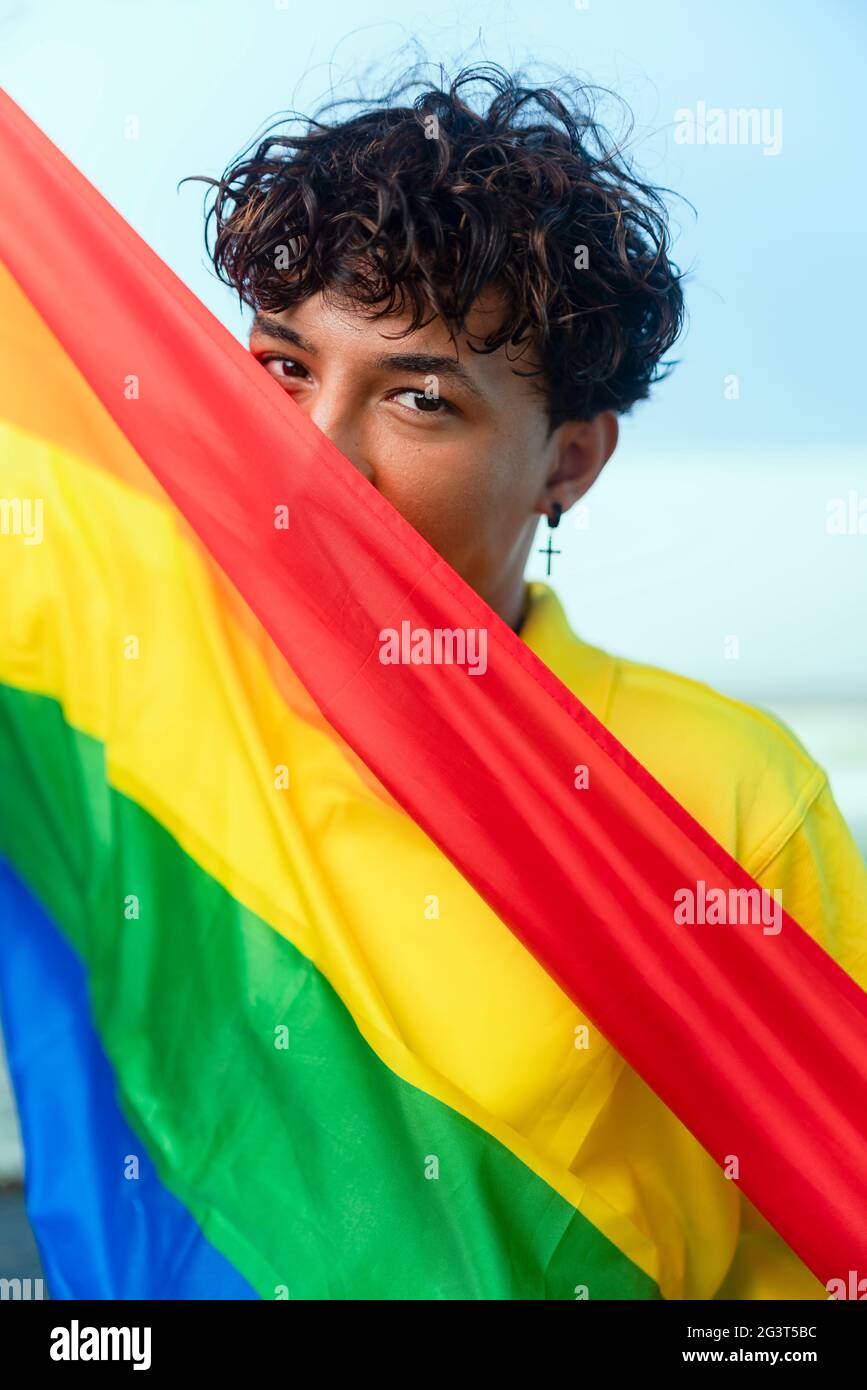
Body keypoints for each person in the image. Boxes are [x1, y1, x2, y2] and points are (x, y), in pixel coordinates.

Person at [197, 63, 867, 1299]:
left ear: (570, 459)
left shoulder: (723, 801)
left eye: (416, 397)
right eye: (283, 366)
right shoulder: (124, 688)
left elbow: (829, 1249)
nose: (312, 458)